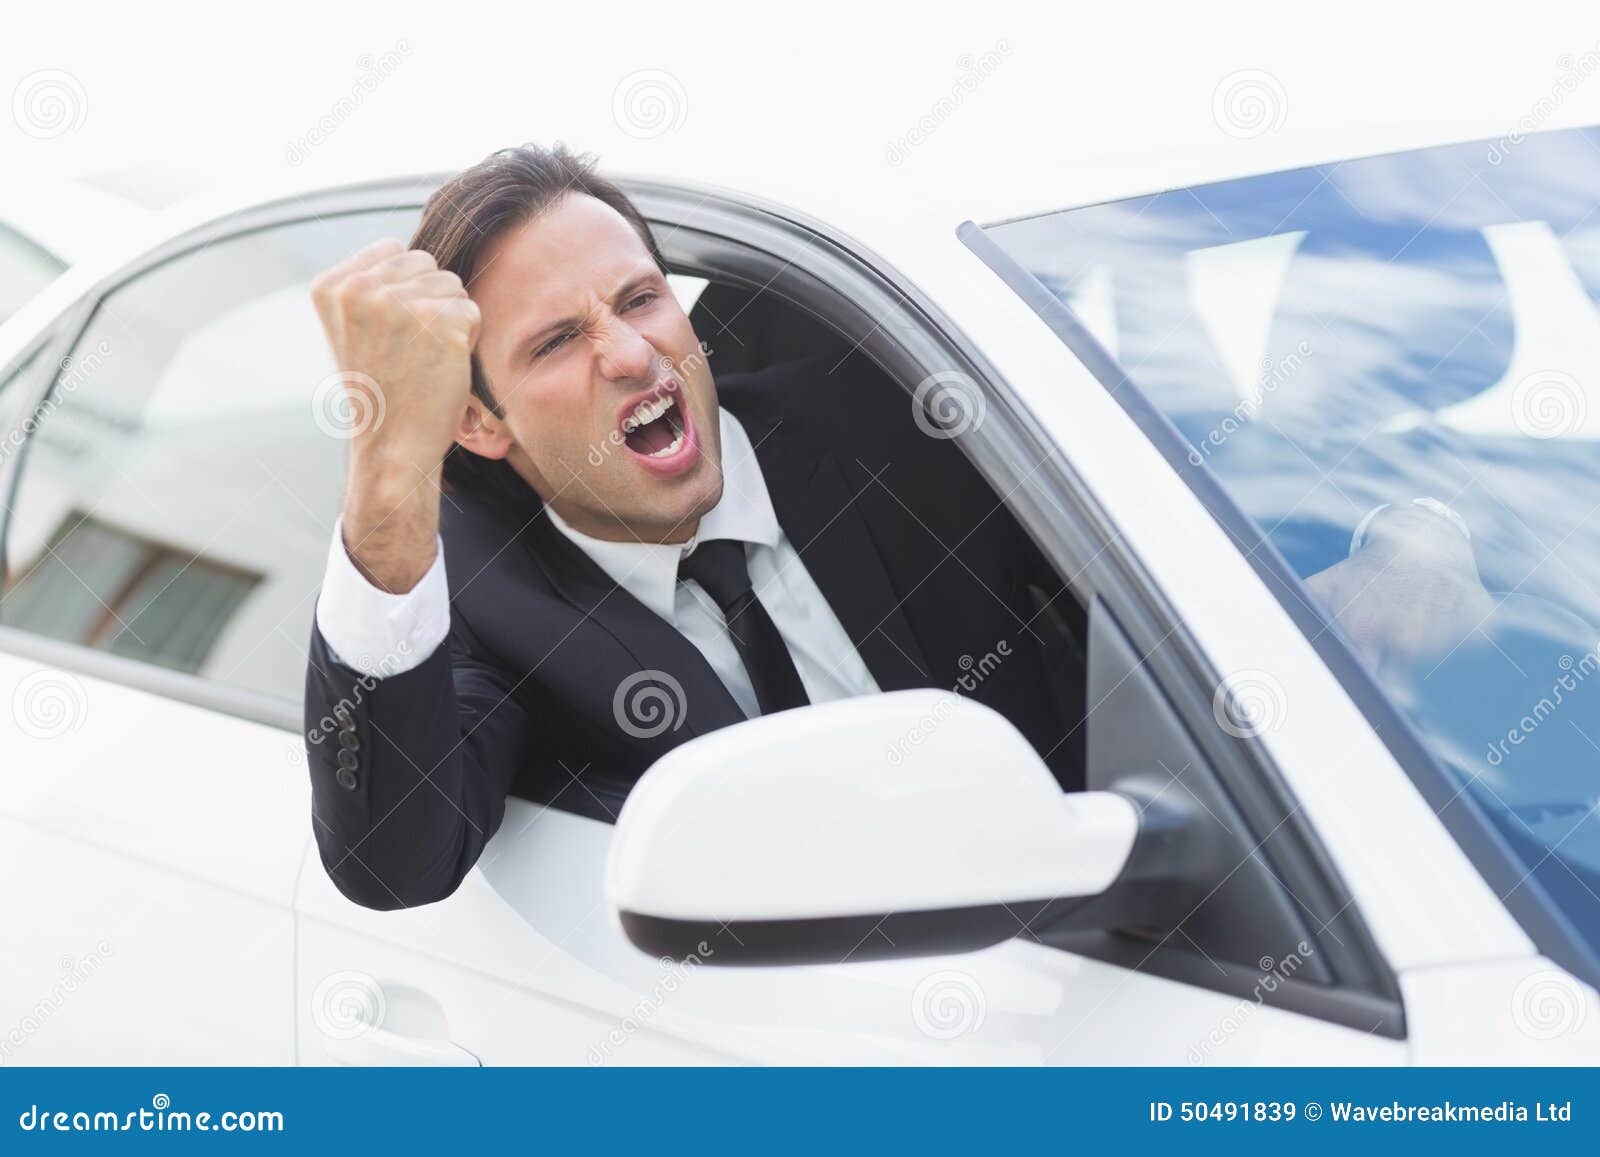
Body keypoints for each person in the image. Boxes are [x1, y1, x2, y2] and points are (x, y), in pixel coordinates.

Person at [303, 144, 1078, 910]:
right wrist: (391, 462)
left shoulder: (904, 422)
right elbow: (392, 861)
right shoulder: (488, 607)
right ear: (477, 421)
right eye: (557, 341)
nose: (632, 355)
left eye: (641, 299)